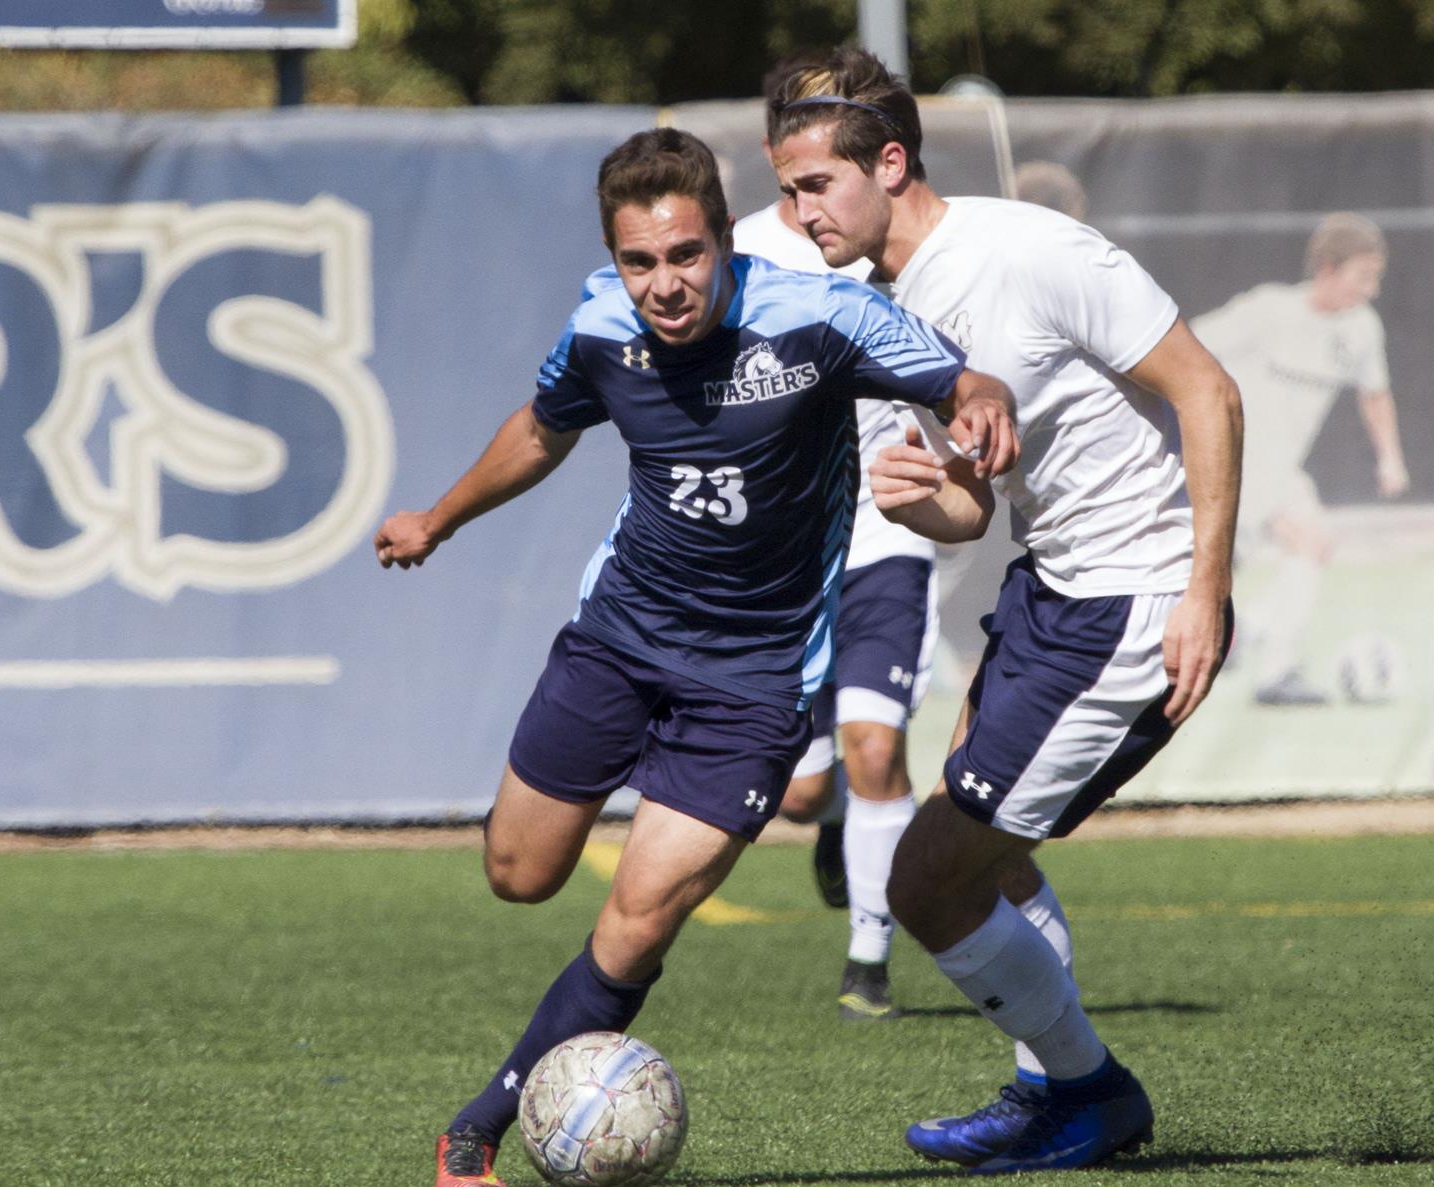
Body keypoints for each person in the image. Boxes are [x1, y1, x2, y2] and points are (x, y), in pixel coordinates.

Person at [376, 127, 1017, 1187]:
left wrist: (978, 399)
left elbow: (960, 382)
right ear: (613, 259)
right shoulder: (600, 325)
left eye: (685, 254)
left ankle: (474, 1130)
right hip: (617, 642)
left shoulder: (819, 316)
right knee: (517, 874)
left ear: (724, 238)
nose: (664, 284)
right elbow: (540, 429)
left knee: (638, 918)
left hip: (752, 684)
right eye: (639, 261)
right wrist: (437, 519)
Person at [767, 48, 1242, 1172]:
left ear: (890, 163)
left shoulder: (1030, 249)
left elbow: (1207, 391)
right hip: (1048, 586)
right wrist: (920, 498)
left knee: (926, 877)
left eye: (814, 185)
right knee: (980, 849)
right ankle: (1050, 1088)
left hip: (1132, 600)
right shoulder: (895, 303)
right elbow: (973, 509)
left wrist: (1203, 591)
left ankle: (1087, 1093)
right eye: (786, 190)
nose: (797, 213)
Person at [732, 57, 941, 1023]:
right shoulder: (740, 251)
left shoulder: (894, 242)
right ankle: (838, 821)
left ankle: (869, 961)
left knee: (873, 745)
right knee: (800, 792)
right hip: (787, 557)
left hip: (885, 537)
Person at [1189, 212, 1408, 705]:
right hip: (1230, 458)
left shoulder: (1362, 328)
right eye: (1362, 276)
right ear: (1327, 269)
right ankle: (1268, 664)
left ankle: (1250, 643)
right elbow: (1186, 348)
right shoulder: (1270, 309)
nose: (1371, 290)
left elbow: (1374, 393)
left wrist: (1390, 458)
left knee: (1310, 547)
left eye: (1375, 278)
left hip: (1278, 468)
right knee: (1306, 541)